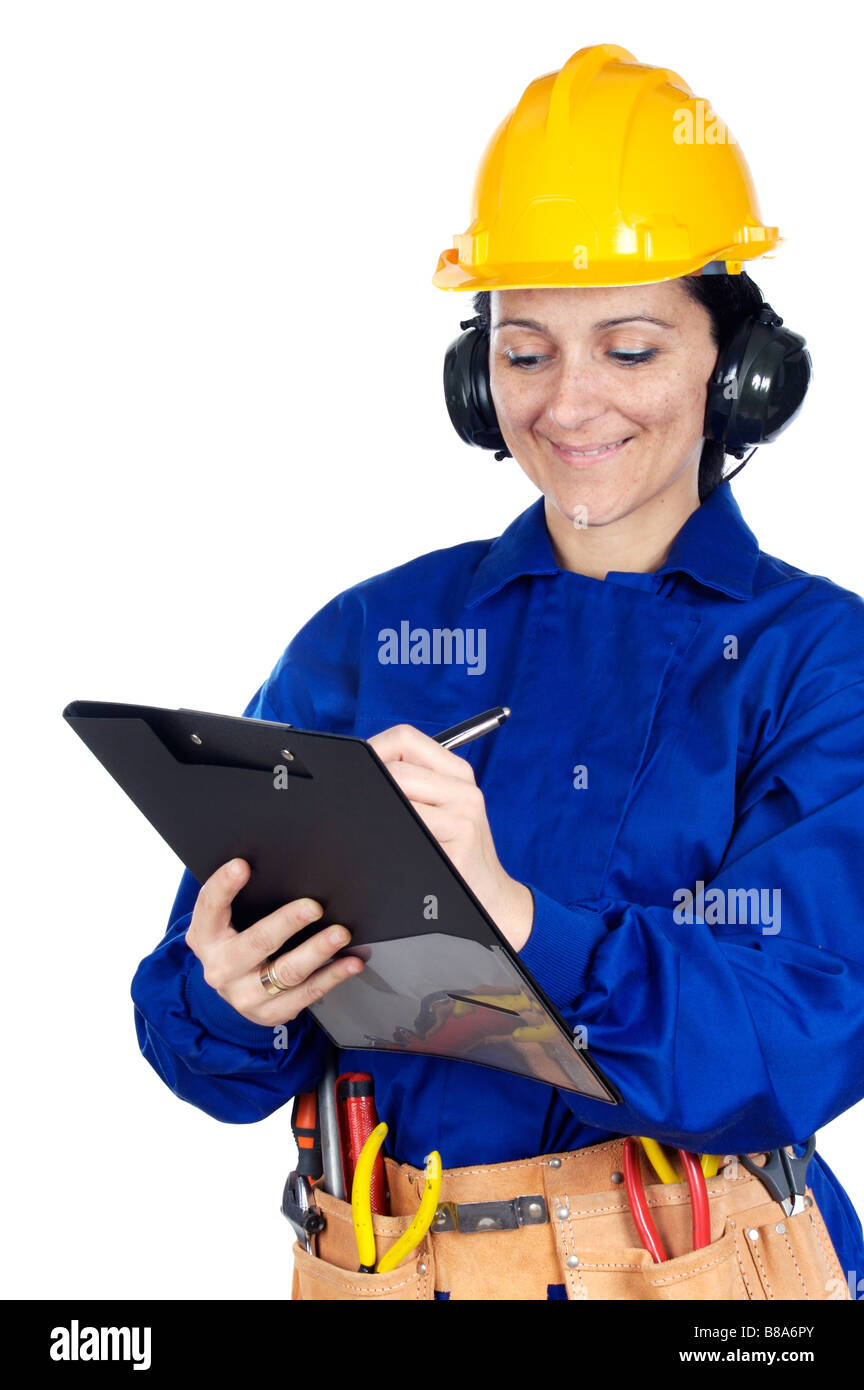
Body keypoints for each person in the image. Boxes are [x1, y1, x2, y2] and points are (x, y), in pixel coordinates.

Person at [131, 43, 864, 1300]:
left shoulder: (817, 664)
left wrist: (512, 916)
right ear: (477, 379)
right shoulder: (370, 636)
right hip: (374, 1265)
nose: (570, 403)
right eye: (524, 352)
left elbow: (794, 1034)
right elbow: (207, 1058)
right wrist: (228, 994)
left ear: (741, 373)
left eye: (629, 349)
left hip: (696, 1278)